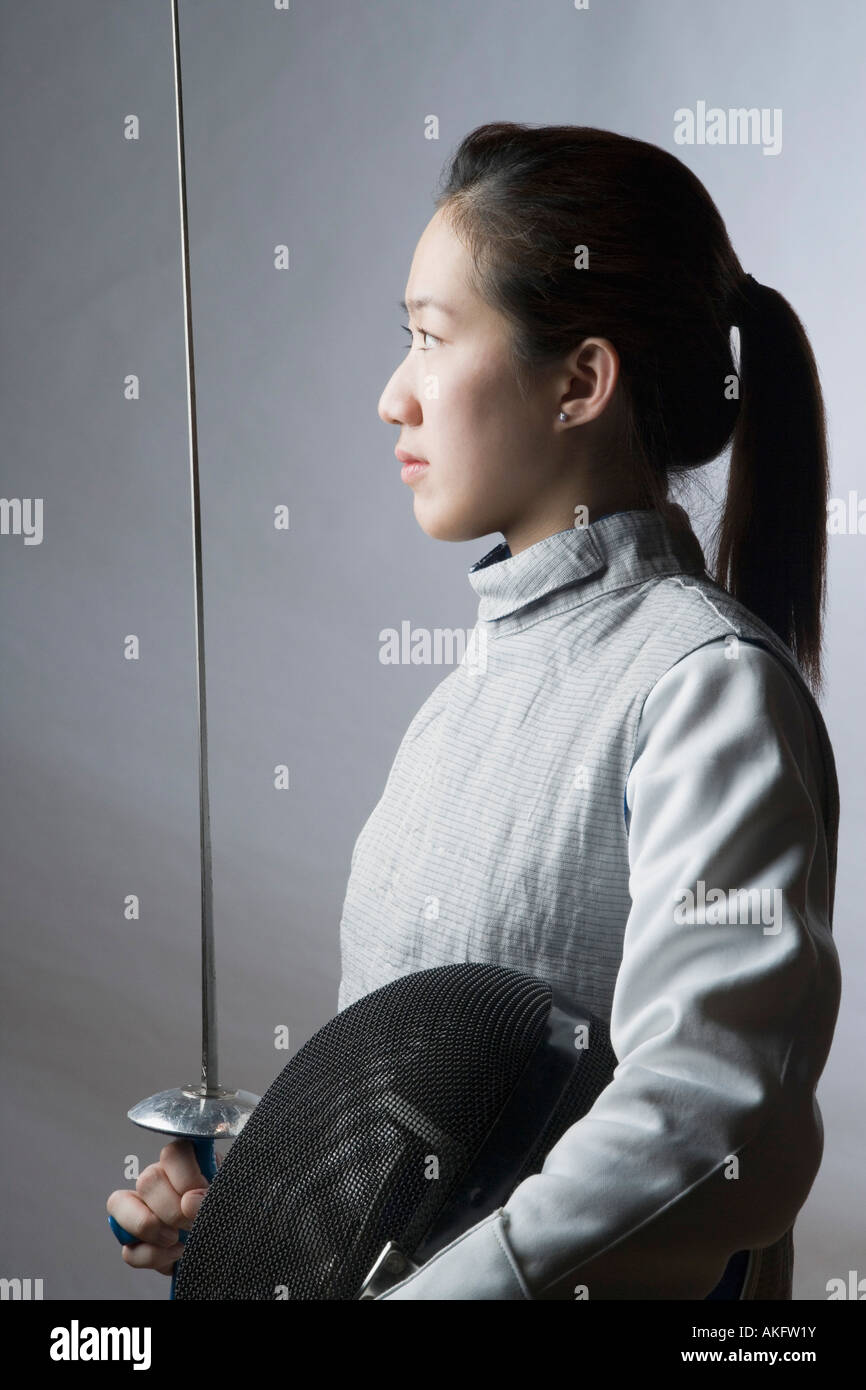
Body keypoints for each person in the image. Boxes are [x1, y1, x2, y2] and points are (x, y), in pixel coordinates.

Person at [107, 122, 841, 1300]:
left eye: (431, 338)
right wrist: (262, 1220)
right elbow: (438, 1133)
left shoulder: (705, 689)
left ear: (579, 381)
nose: (392, 395)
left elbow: (707, 1127)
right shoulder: (455, 712)